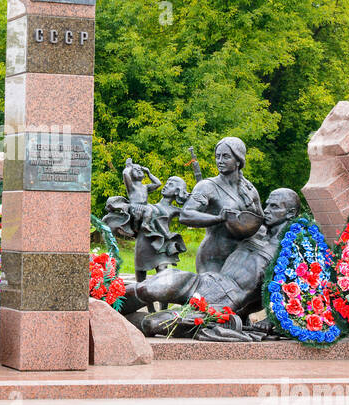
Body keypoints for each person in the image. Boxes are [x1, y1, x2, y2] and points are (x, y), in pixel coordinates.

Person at [119, 188, 300, 337]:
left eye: (274, 207)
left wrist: (269, 320)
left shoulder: (289, 250)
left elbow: (292, 291)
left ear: (290, 213)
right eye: (267, 204)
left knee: (153, 324)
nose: (266, 210)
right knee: (150, 287)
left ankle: (117, 326)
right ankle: (100, 307)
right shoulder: (254, 230)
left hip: (224, 301)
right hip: (206, 280)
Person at [179, 136, 264, 274]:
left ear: (238, 161)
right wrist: (218, 218)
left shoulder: (249, 189)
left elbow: (262, 221)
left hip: (243, 261)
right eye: (217, 156)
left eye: (225, 156)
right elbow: (185, 215)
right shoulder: (207, 186)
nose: (220, 161)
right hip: (214, 259)